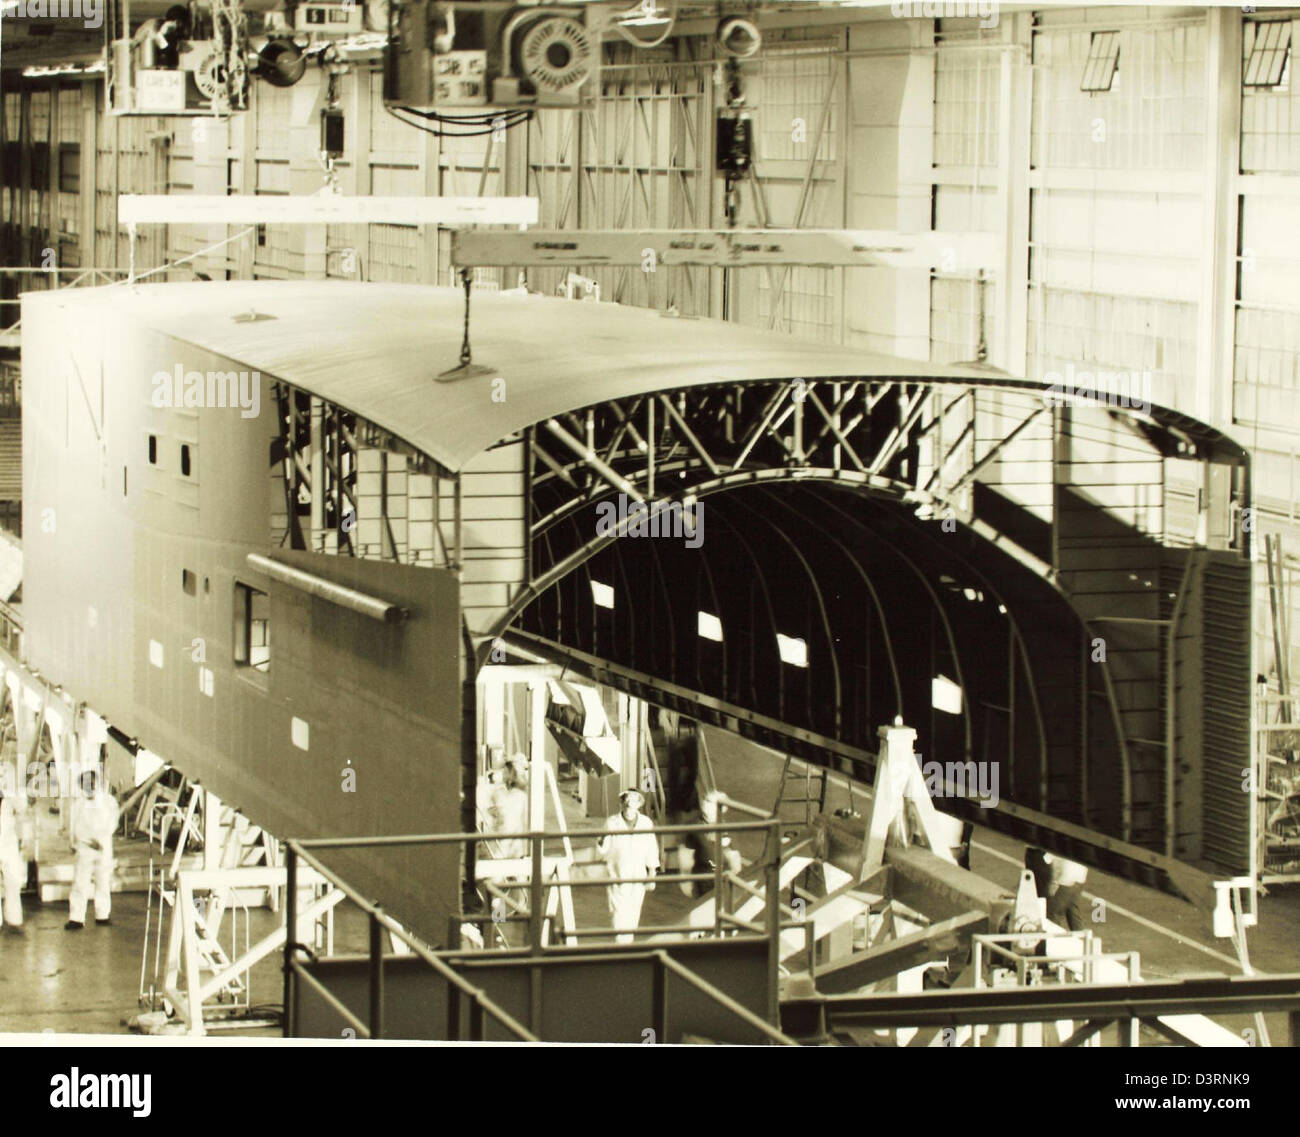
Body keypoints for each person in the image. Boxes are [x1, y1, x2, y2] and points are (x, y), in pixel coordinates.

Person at [597, 789, 660, 944]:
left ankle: (628, 944)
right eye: (626, 799)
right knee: (618, 914)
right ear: (622, 802)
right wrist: (601, 840)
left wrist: (652, 873)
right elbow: (602, 851)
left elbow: (652, 849)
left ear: (639, 803)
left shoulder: (646, 823)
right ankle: (621, 947)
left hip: (638, 874)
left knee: (633, 912)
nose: (629, 803)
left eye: (633, 800)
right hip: (617, 874)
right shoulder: (611, 822)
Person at [66, 769, 120, 930]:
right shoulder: (77, 805)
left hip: (103, 847)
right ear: (81, 786)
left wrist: (100, 838)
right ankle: (76, 918)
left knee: (103, 881)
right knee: (80, 882)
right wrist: (85, 841)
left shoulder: (108, 801)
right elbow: (74, 828)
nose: (89, 786)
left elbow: (113, 821)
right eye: (85, 784)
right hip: (85, 848)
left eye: (91, 783)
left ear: (97, 783)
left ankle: (102, 915)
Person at [0, 770, 26, 934]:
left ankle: (14, 918)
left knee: (13, 880)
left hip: (8, 844)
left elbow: (22, 809)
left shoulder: (11, 796)